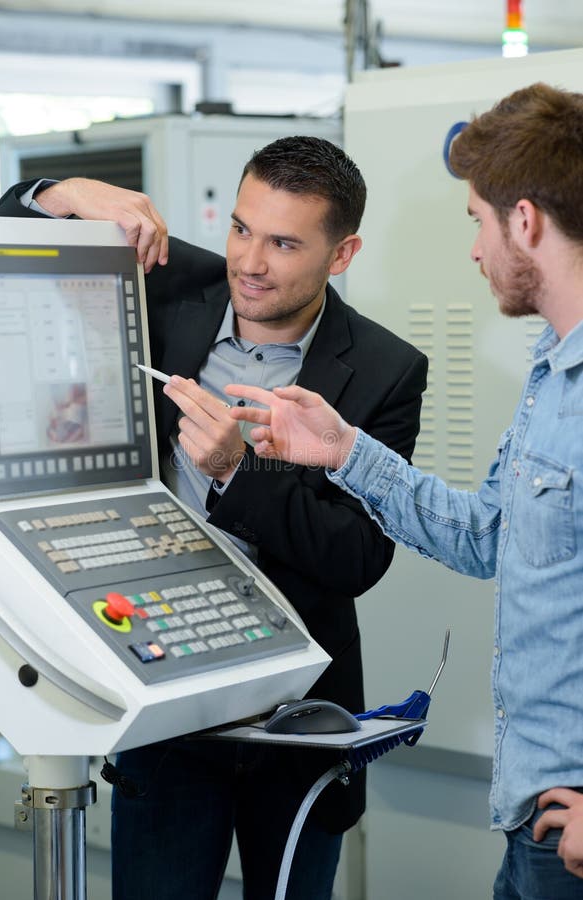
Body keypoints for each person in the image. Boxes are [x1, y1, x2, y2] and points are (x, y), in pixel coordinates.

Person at [0, 136, 427, 900]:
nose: (250, 262)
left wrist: (234, 471)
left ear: (341, 252)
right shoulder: (163, 282)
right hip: (164, 694)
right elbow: (2, 241)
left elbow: (358, 555)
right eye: (240, 227)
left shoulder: (386, 370)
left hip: (298, 715)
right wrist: (66, 192)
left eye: (284, 242)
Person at [224, 83, 583, 899]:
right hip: (532, 808)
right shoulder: (551, 368)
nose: (473, 251)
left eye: (476, 223)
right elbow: (486, 535)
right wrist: (345, 451)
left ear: (523, 221)